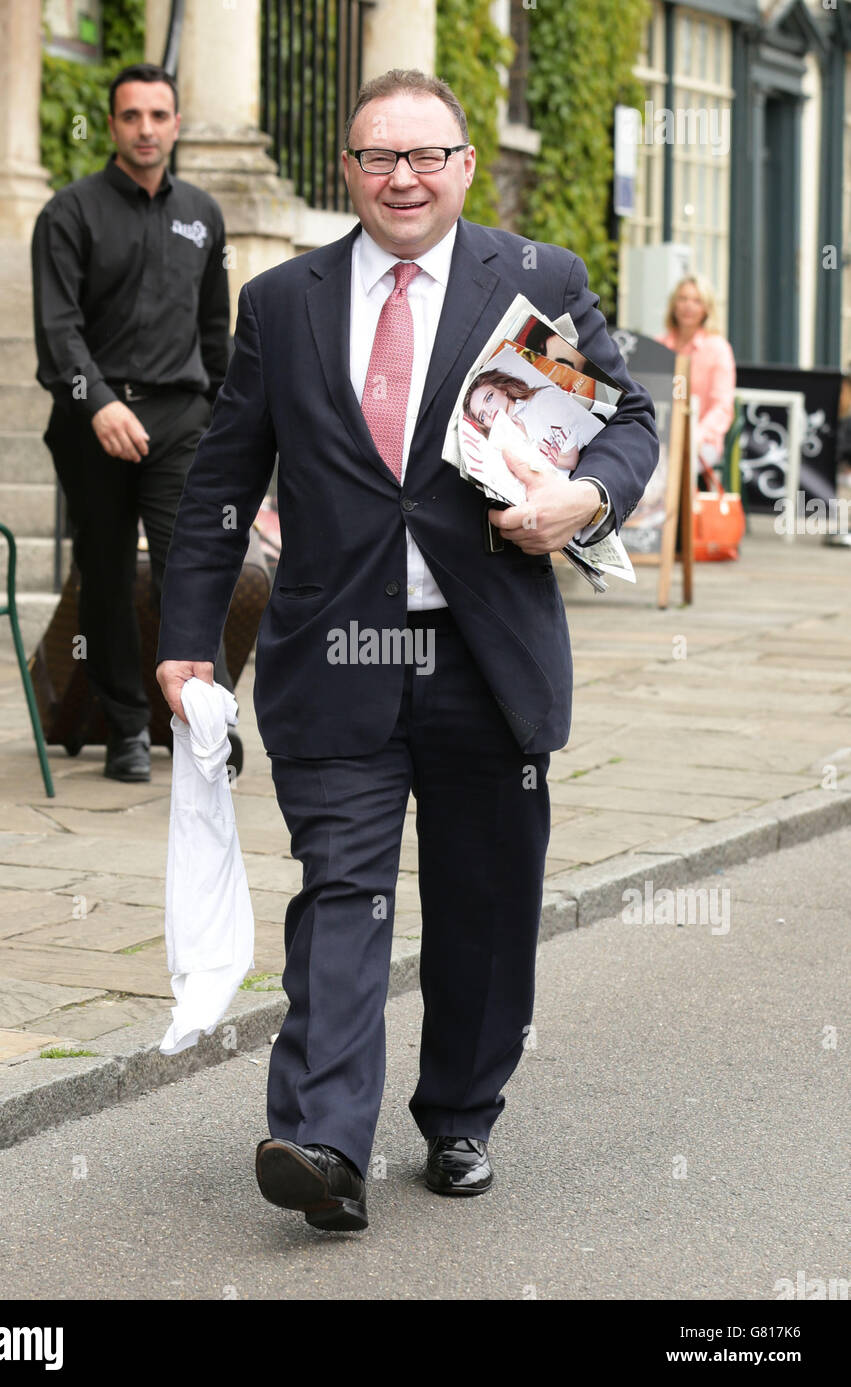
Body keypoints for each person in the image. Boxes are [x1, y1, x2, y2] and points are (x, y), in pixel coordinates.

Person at [156, 68, 659, 1232]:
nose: (403, 177)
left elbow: (629, 421)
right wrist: (190, 645)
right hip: (333, 654)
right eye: (380, 156)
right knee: (341, 892)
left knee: (484, 898)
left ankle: (461, 1114)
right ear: (349, 169)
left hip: (487, 660)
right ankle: (323, 1140)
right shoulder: (280, 303)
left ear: (466, 166)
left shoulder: (536, 280)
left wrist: (582, 499)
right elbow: (223, 483)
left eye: (427, 155)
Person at [31, 63, 230, 782]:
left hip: (180, 417)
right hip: (92, 420)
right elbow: (58, 331)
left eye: (158, 115)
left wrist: (220, 416)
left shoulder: (203, 215)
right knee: (106, 572)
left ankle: (205, 722)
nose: (145, 128)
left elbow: (216, 334)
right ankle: (122, 729)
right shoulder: (69, 213)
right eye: (131, 116)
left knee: (192, 567)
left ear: (175, 123)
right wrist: (99, 403)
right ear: (112, 125)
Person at [657, 275, 736, 480]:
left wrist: (697, 434)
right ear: (674, 304)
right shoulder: (659, 345)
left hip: (701, 441)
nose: (688, 306)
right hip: (660, 438)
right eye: (683, 299)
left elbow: (722, 408)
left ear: (707, 308)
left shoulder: (718, 349)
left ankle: (675, 513)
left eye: (696, 300)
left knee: (677, 465)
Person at [463, 368, 580, 471]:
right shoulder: (499, 449)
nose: (488, 412)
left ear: (503, 388)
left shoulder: (543, 400)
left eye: (489, 398)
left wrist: (527, 443)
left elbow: (571, 461)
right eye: (482, 416)